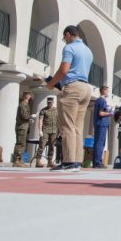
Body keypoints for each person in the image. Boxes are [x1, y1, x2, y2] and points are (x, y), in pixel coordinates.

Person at [46, 25, 93, 172]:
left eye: (64, 38)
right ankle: (77, 161)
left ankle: (68, 161)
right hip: (86, 88)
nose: (64, 41)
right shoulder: (88, 50)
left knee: (67, 125)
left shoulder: (70, 48)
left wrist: (51, 83)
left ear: (68, 35)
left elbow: (64, 70)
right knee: (78, 126)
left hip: (72, 87)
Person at [92, 86, 113, 169]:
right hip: (102, 124)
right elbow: (101, 113)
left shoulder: (98, 101)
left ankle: (95, 162)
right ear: (103, 91)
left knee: (97, 142)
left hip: (98, 124)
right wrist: (110, 113)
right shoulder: (102, 101)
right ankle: (98, 162)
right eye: (107, 91)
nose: (107, 92)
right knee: (100, 143)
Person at [12, 91, 34, 167]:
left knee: (23, 144)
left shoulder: (26, 105)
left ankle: (20, 160)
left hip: (24, 126)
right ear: (27, 96)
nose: (30, 97)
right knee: (20, 144)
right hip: (21, 127)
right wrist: (31, 116)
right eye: (29, 96)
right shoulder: (23, 104)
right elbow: (24, 116)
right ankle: (16, 160)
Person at [35, 96, 58, 168]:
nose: (49, 104)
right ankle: (38, 161)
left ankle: (50, 161)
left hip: (54, 130)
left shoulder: (56, 110)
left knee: (52, 146)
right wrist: (40, 130)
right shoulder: (43, 110)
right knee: (42, 145)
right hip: (45, 130)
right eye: (48, 102)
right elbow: (40, 121)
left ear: (53, 102)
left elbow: (59, 121)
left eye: (51, 102)